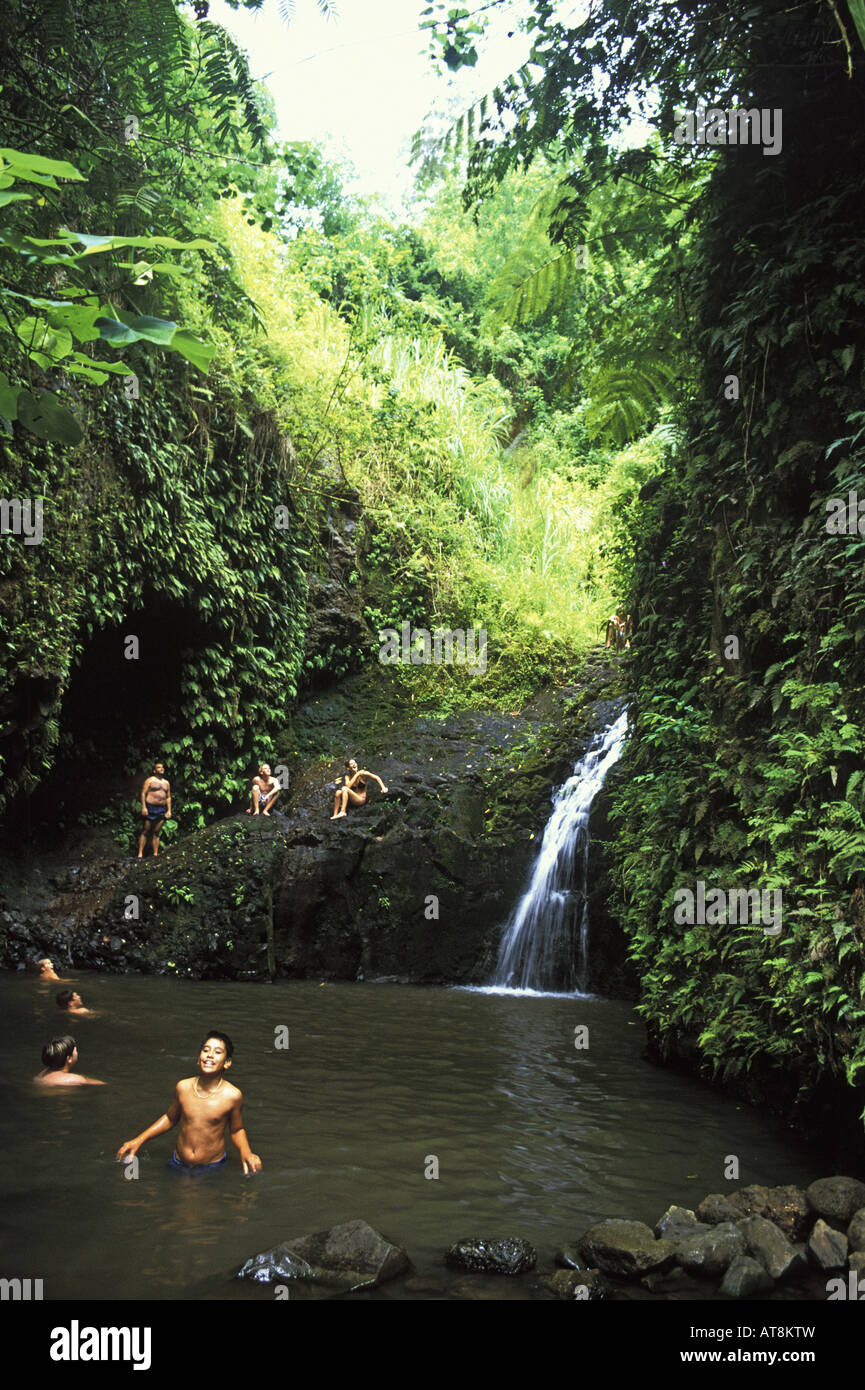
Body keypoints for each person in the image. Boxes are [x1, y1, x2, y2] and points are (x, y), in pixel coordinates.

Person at [116, 1031, 262, 1176]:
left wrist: (246, 1152)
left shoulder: (232, 1095)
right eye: (205, 1050)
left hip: (212, 1166)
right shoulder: (183, 1087)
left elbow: (236, 1130)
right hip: (178, 1162)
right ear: (199, 1058)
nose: (210, 1055)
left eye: (217, 1052)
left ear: (227, 1062)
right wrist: (139, 1140)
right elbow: (170, 1118)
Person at [34, 1036, 105, 1087]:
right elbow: (101, 1084)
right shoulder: (74, 1079)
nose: (77, 1053)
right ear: (69, 1059)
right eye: (75, 1051)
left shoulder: (41, 1075)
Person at [138, 761, 171, 859]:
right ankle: (140, 854)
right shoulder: (150, 780)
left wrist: (169, 810)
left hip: (161, 809)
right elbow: (143, 793)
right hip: (150, 807)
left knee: (156, 832)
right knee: (146, 830)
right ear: (154, 770)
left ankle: (155, 854)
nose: (162, 769)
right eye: (159, 767)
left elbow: (168, 797)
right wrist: (144, 807)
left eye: (162, 767)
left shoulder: (166, 783)